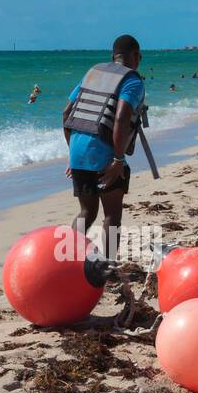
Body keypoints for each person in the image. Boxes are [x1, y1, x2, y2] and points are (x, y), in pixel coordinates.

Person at [63, 34, 146, 249]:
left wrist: (73, 154)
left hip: (78, 151)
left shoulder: (94, 73)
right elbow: (120, 117)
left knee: (86, 212)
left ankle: (70, 262)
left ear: (113, 56)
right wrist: (118, 160)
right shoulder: (132, 80)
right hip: (105, 155)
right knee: (112, 216)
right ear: (137, 56)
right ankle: (106, 268)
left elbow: (66, 114)